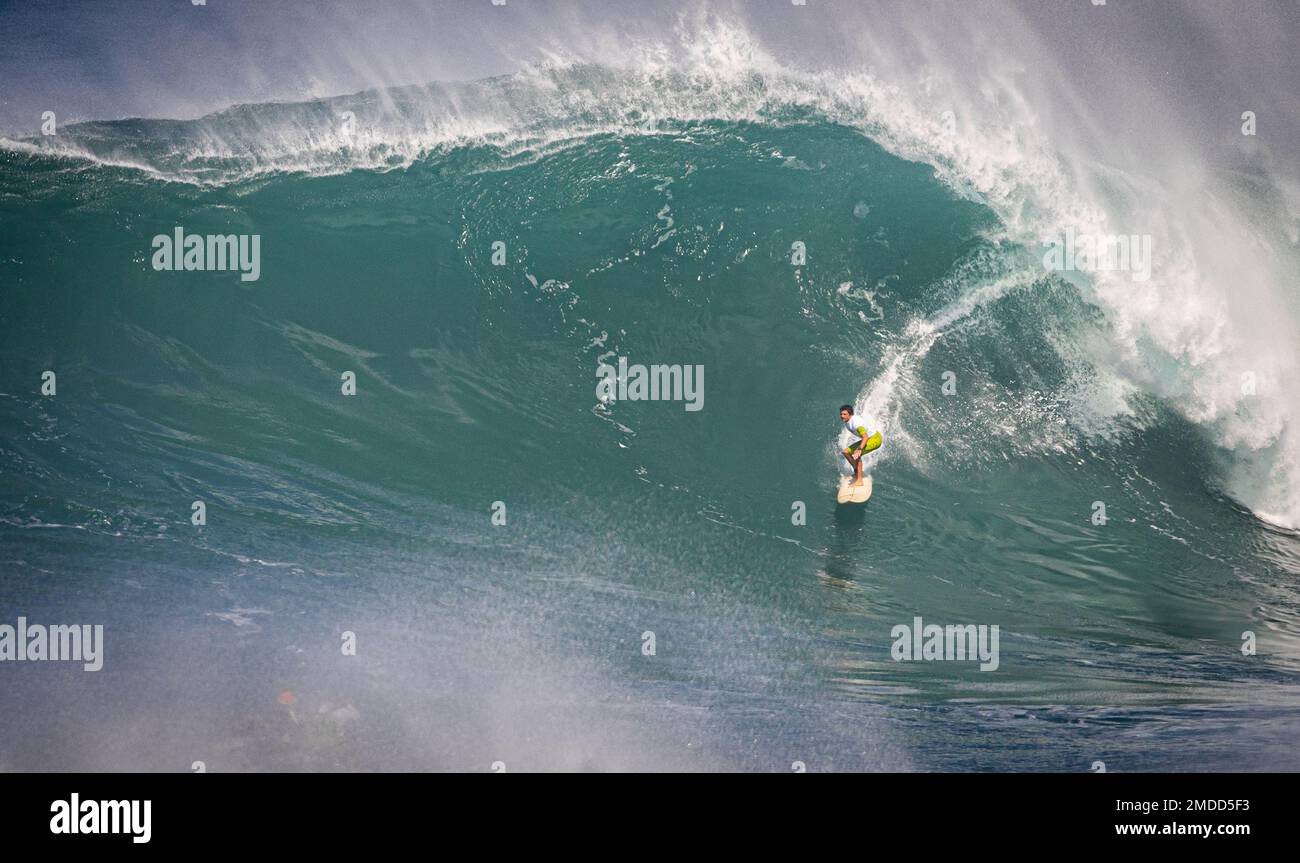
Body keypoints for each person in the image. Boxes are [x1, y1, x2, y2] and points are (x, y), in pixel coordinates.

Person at [839, 404, 881, 486]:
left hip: (875, 439)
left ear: (850, 414)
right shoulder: (848, 421)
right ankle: (857, 469)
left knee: (857, 454)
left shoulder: (856, 424)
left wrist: (859, 449)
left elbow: (865, 437)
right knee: (845, 452)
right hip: (868, 438)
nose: (842, 416)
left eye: (844, 414)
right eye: (841, 414)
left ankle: (859, 481)